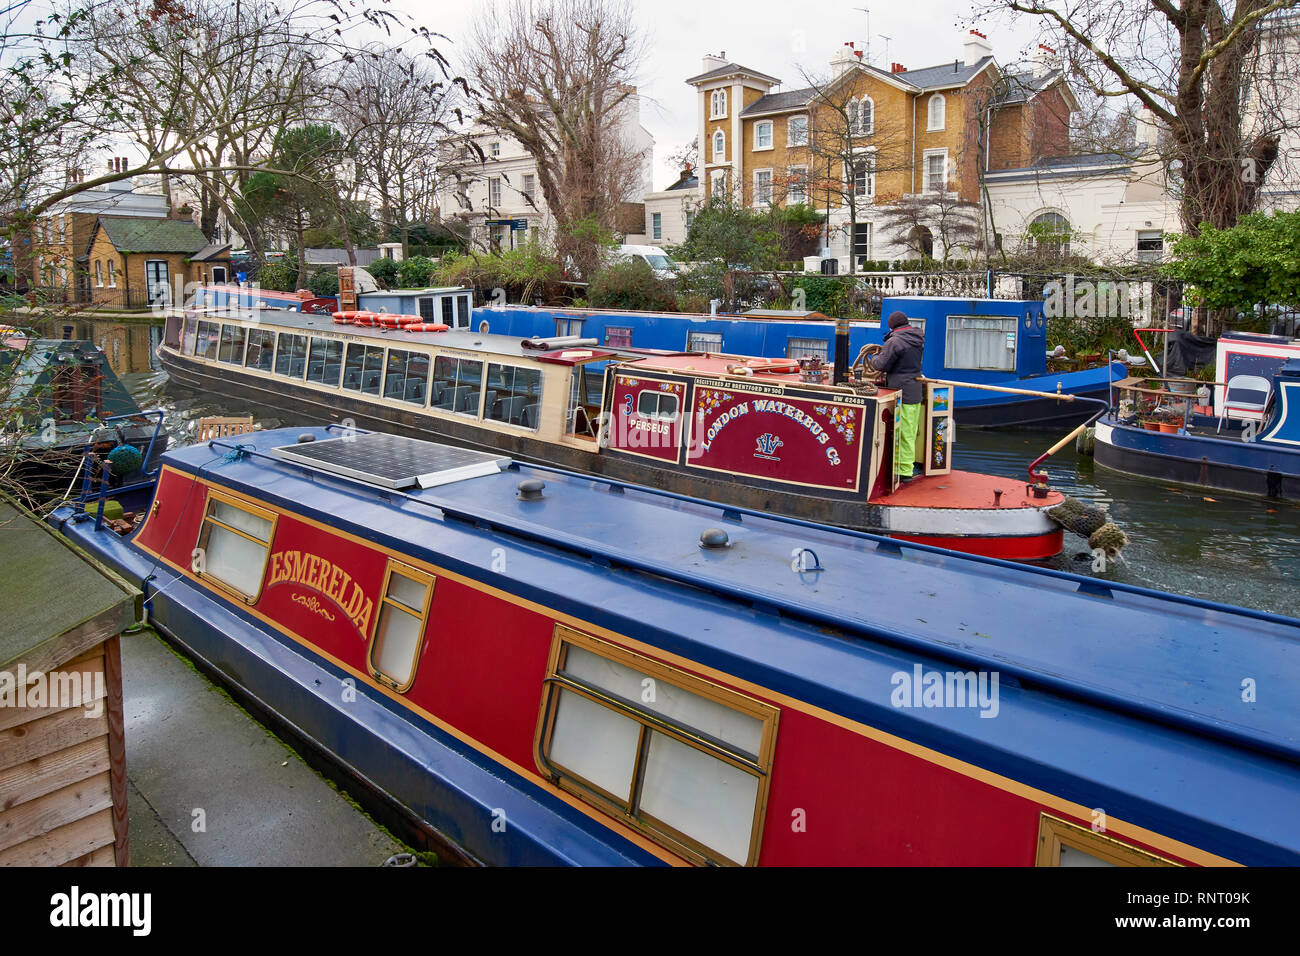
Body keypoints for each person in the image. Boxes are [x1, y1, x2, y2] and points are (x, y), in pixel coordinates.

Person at [866, 310, 925, 482]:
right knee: (911, 431)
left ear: (892, 326)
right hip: (914, 389)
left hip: (901, 391)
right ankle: (907, 465)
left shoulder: (895, 341)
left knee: (903, 432)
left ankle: (905, 471)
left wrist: (875, 355)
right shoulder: (917, 337)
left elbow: (881, 364)